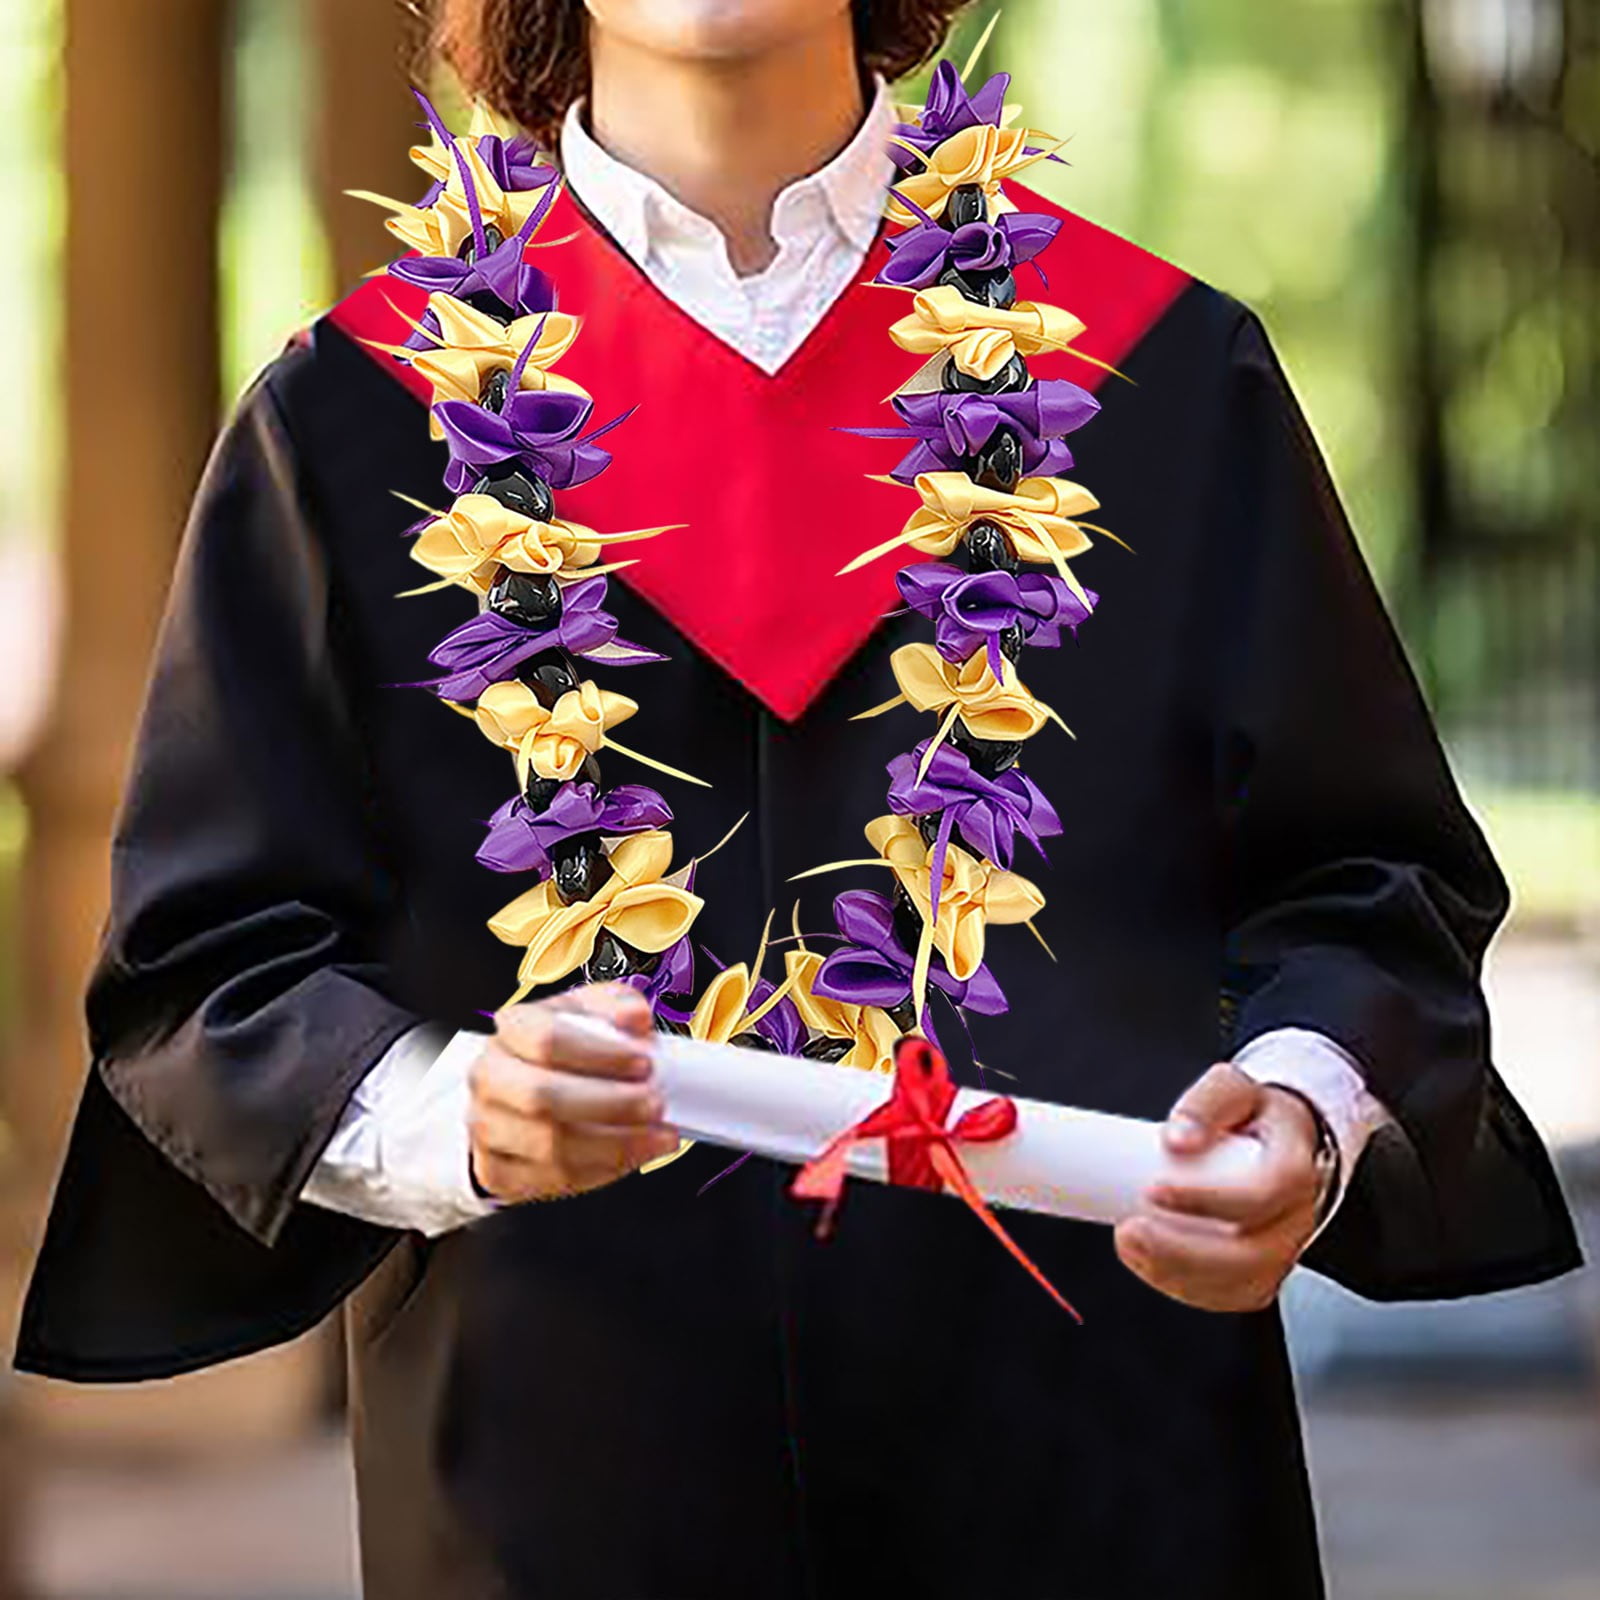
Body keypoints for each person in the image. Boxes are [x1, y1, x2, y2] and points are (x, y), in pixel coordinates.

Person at [14, 2, 1582, 1597]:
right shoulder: (356, 425)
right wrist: (454, 1118)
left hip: (1110, 1488)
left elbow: (1368, 887)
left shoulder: (1157, 379)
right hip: (564, 1499)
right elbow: (210, 978)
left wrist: (1305, 1120)